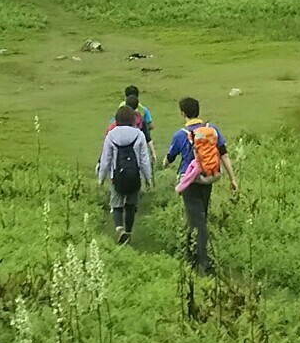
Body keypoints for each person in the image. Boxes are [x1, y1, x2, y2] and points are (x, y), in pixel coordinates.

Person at [163, 97, 237, 273]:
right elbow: (224, 154)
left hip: (190, 181)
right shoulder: (211, 130)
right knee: (197, 218)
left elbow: (170, 157)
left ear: (183, 113)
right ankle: (190, 256)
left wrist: (164, 164)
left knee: (198, 221)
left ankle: (205, 263)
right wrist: (232, 179)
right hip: (208, 178)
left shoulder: (180, 135)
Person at [97, 105, 152, 244]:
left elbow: (105, 159)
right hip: (135, 176)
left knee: (116, 204)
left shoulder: (111, 135)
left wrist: (101, 179)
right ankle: (128, 232)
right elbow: (144, 160)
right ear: (132, 119)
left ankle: (119, 229)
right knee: (131, 204)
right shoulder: (139, 135)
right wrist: (148, 178)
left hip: (117, 177)